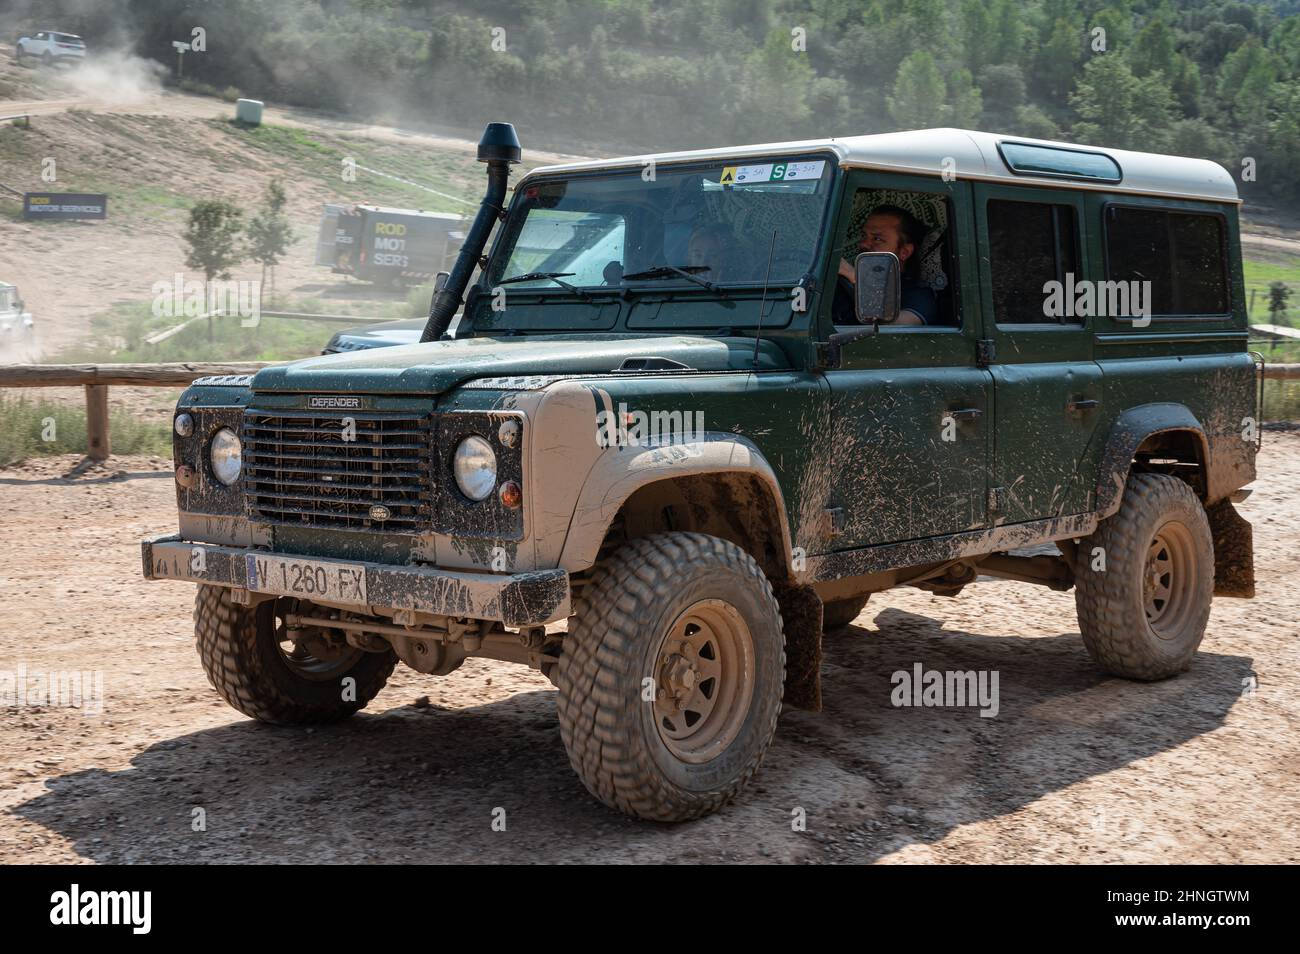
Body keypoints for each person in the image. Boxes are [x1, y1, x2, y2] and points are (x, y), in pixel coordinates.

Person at [832, 204, 938, 326]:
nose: (864, 244)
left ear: (904, 252)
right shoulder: (841, 281)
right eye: (864, 236)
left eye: (877, 239)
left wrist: (854, 277)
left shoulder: (918, 295)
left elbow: (894, 326)